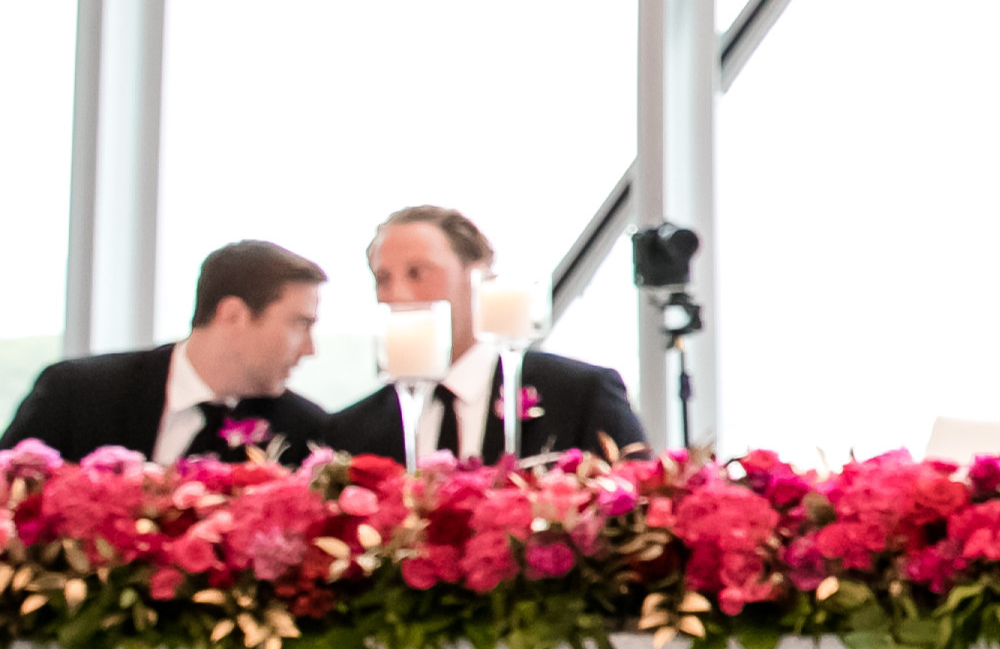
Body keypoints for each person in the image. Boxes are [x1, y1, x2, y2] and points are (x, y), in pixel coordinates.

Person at [311, 206, 648, 463]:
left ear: (479, 278)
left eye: (418, 273)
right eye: (382, 278)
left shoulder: (579, 395)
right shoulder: (351, 431)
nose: (394, 294)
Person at [3, 239, 337, 464]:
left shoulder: (303, 430)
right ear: (232, 315)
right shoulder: (76, 392)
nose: (310, 350)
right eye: (299, 324)